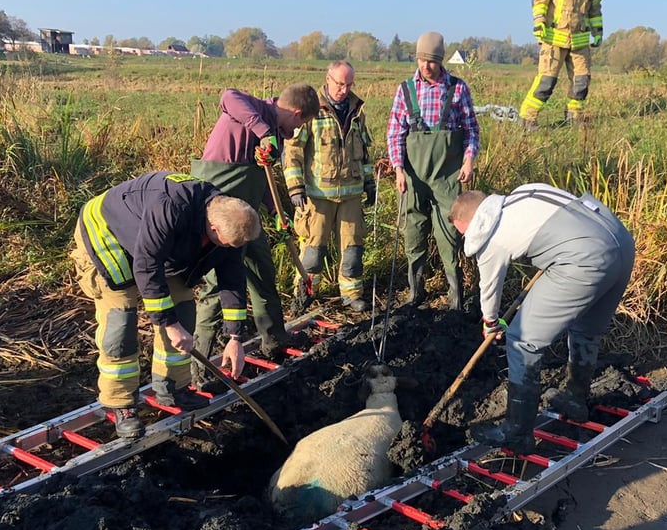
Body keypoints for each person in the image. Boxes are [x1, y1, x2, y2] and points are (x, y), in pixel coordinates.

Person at [70, 172, 261, 440]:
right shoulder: (171, 207)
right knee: (121, 321)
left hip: (152, 244)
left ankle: (172, 388)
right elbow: (147, 266)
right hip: (106, 235)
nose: (233, 249)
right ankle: (122, 403)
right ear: (214, 229)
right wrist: (168, 324)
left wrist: (235, 337)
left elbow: (232, 278)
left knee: (183, 308)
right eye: (230, 244)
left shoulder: (226, 220)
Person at [448, 185, 634, 454]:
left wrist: (491, 324)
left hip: (585, 259)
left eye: (460, 230)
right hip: (621, 242)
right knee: (585, 329)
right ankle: (575, 398)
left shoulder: (487, 233)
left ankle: (516, 433)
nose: (463, 236)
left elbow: (489, 291)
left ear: (470, 221)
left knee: (521, 339)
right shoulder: (525, 193)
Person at [191, 84, 321, 370]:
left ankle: (274, 340)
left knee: (263, 271)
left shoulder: (277, 135)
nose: (298, 129)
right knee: (216, 288)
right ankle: (198, 366)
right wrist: (264, 134)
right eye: (301, 123)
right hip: (218, 217)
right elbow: (227, 96)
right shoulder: (253, 111)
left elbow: (262, 178)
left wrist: (276, 212)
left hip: (248, 214)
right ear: (297, 113)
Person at [386, 31, 480, 310]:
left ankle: (455, 295)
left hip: (447, 175)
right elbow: (395, 134)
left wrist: (469, 160)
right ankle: (416, 291)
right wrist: (398, 169)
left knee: (449, 232)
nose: (426, 66)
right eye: (422, 59)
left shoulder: (458, 89)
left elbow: (472, 130)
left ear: (441, 61)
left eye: (433, 61)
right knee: (413, 230)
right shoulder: (405, 90)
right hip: (413, 176)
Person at [283, 60, 376, 313]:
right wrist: (295, 187)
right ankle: (304, 295)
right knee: (313, 250)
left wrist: (369, 182)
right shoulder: (313, 111)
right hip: (317, 196)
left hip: (351, 195)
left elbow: (364, 153)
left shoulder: (357, 112)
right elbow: (292, 151)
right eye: (339, 84)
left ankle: (352, 294)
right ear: (327, 79)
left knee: (353, 248)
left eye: (348, 85)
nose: (344, 90)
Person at [519, 0, 603, 130]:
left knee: (581, 82)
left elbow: (595, 8)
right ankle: (527, 119)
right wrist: (539, 20)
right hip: (554, 38)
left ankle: (573, 118)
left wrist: (598, 31)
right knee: (546, 82)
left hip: (580, 41)